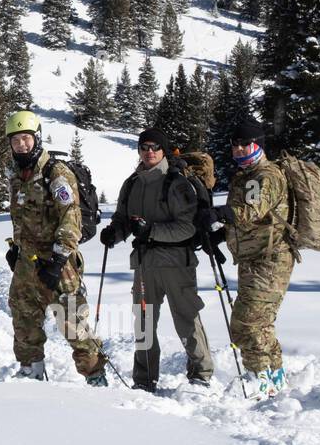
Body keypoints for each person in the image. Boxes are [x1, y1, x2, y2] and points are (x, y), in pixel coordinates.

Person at [101, 128, 214, 393]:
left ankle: (201, 374)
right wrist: (114, 233)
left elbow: (187, 227)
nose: (149, 151)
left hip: (177, 262)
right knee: (143, 321)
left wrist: (150, 230)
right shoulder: (132, 183)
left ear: (163, 150)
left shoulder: (176, 183)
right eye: (144, 147)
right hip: (144, 263)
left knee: (186, 318)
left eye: (155, 147)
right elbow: (124, 220)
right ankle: (144, 378)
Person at [4, 110, 108, 385]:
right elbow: (21, 216)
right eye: (16, 141)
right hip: (28, 260)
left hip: (59, 264)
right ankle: (30, 370)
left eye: (26, 139)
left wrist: (60, 260)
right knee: (23, 313)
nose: (22, 145)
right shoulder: (18, 176)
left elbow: (70, 220)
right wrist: (16, 246)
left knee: (72, 322)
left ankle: (95, 375)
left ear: (36, 138)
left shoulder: (56, 173)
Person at [212, 120, 293, 399]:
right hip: (253, 259)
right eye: (234, 144)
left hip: (270, 260)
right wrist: (222, 234)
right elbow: (249, 220)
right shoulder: (246, 175)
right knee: (260, 321)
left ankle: (257, 377)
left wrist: (218, 214)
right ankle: (275, 376)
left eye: (243, 144)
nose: (237, 149)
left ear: (257, 144)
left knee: (246, 321)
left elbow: (250, 210)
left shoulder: (265, 175)